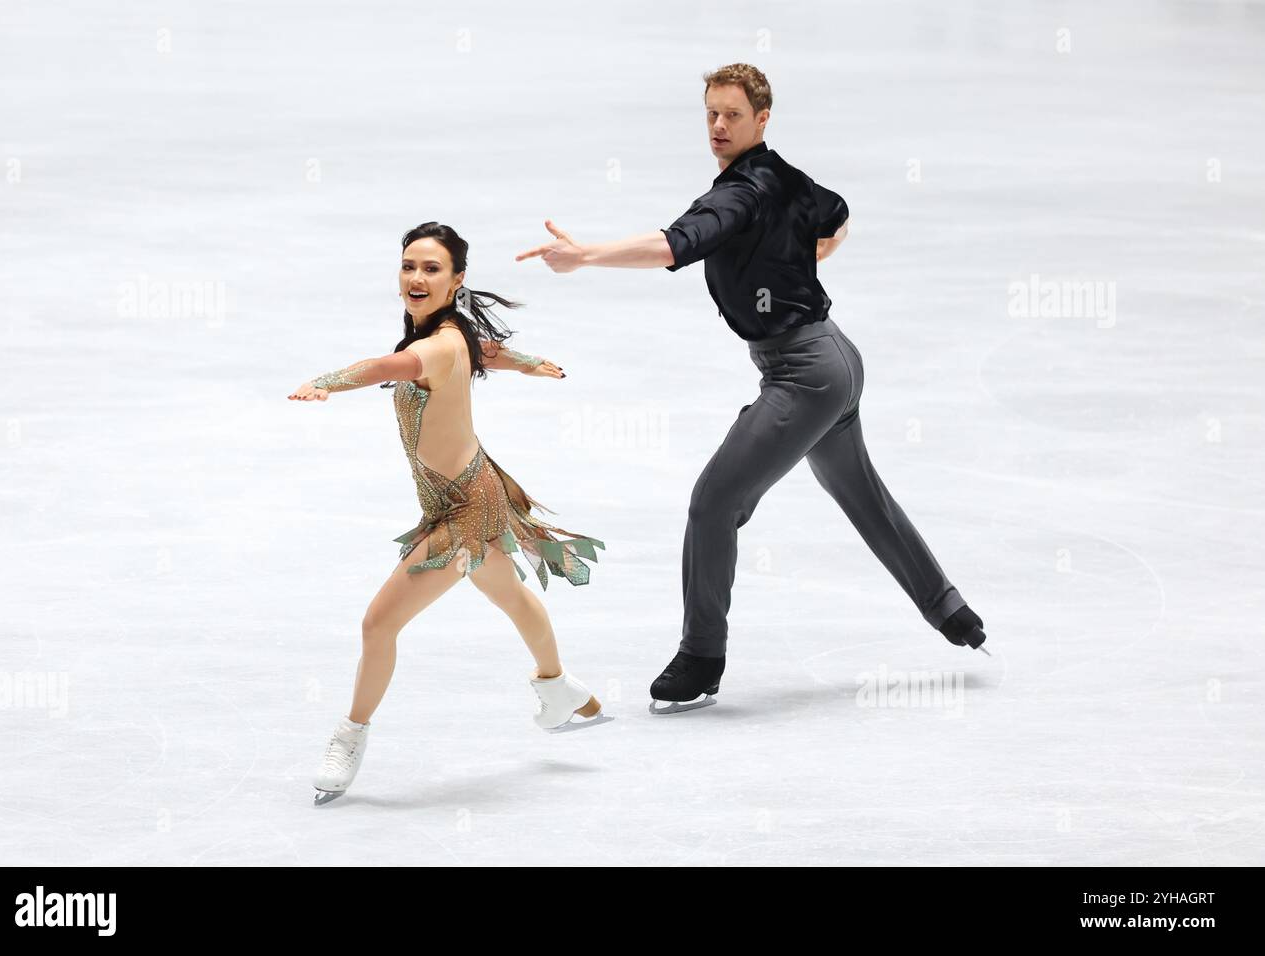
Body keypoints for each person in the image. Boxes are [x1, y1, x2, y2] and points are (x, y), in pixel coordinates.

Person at [516, 63, 988, 715]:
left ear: (761, 120)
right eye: (711, 112)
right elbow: (836, 216)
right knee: (861, 495)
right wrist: (802, 254)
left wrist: (585, 255)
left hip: (805, 372)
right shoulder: (781, 178)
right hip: (836, 359)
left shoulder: (737, 196)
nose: (717, 125)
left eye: (732, 115)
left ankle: (701, 657)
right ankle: (951, 611)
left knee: (715, 501)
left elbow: (672, 246)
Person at [291, 222, 608, 804]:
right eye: (409, 265)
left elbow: (384, 369)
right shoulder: (452, 331)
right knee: (511, 596)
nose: (417, 277)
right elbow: (484, 349)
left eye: (432, 269)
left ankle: (349, 735)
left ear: (457, 280)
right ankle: (557, 685)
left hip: (464, 508)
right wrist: (528, 361)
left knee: (378, 624)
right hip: (468, 489)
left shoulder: (430, 345)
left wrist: (325, 382)